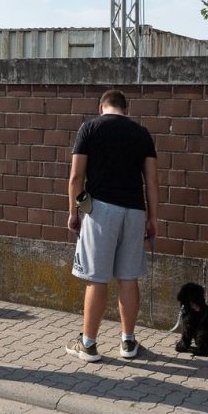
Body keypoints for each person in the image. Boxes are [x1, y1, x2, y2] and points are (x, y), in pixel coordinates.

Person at [65, 89, 159, 363]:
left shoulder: (89, 128)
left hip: (101, 210)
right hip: (134, 211)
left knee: (97, 278)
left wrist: (73, 212)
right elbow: (152, 181)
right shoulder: (142, 134)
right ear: (125, 109)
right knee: (128, 278)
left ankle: (89, 344)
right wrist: (153, 218)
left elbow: (76, 177)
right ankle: (128, 343)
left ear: (101, 106)